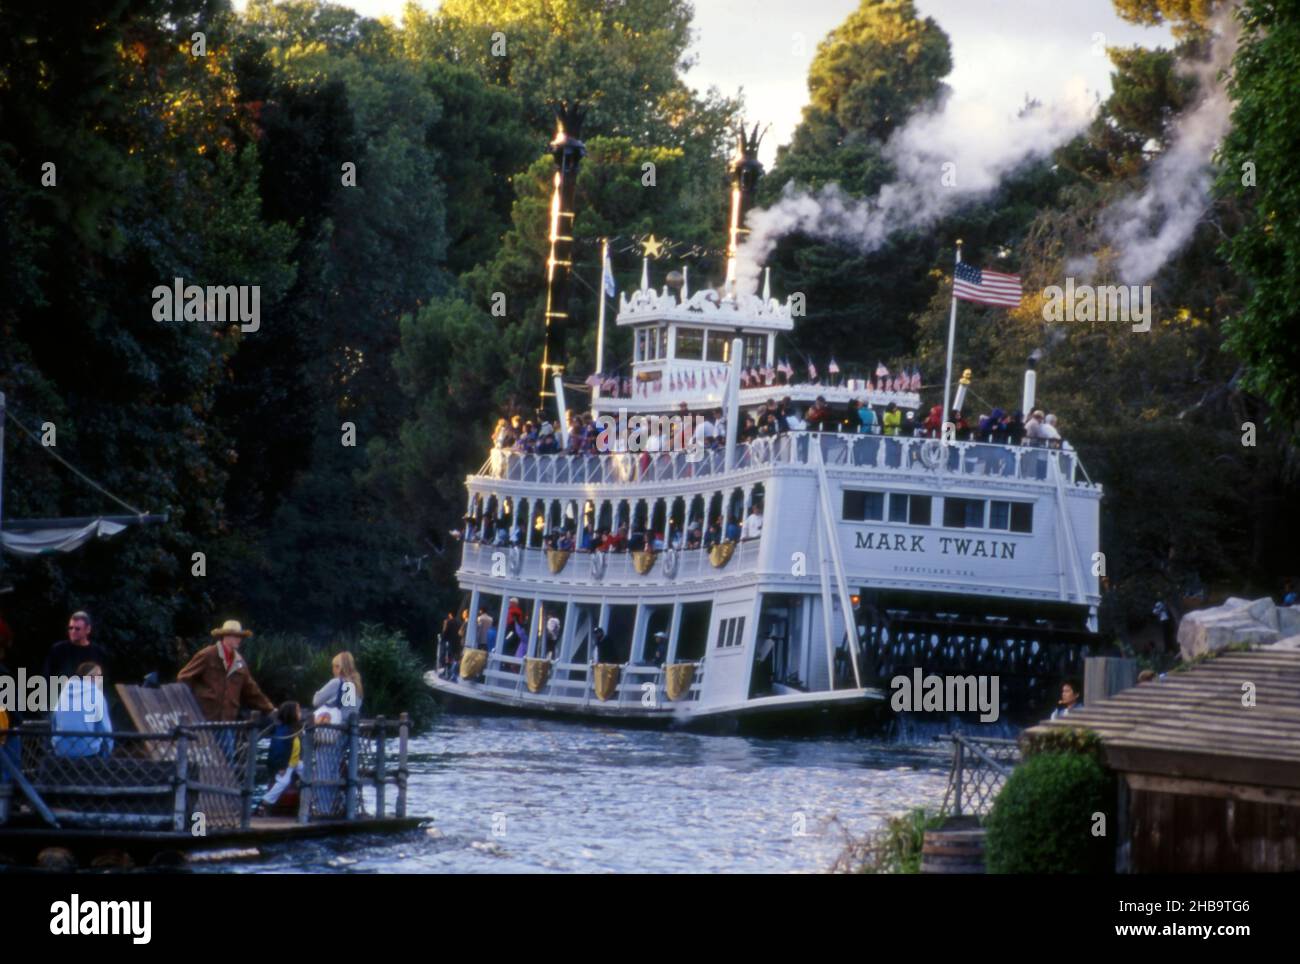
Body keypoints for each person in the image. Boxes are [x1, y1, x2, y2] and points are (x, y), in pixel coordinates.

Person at [177, 620, 275, 724]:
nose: (239, 639)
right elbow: (184, 678)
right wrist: (189, 706)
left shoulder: (239, 662)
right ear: (226, 636)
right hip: (204, 720)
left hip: (228, 721)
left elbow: (252, 691)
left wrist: (270, 709)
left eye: (240, 636)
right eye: (236, 636)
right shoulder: (208, 655)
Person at [52, 661, 114, 759]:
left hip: (61, 748)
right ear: (92, 677)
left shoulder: (64, 692)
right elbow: (105, 729)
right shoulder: (96, 694)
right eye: (99, 675)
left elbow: (54, 721)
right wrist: (108, 752)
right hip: (87, 750)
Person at [257, 701, 303, 814]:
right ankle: (265, 802)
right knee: (283, 781)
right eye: (298, 711)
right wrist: (281, 766)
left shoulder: (295, 728)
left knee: (307, 773)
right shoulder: (283, 731)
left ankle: (307, 795)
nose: (300, 713)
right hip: (286, 762)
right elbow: (279, 750)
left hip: (295, 761)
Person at [43, 610, 110, 684]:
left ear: (88, 629)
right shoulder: (58, 650)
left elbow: (103, 682)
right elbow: (47, 678)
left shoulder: (98, 653)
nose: (73, 631)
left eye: (77, 629)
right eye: (71, 628)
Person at [314, 651, 364, 720]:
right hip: (350, 727)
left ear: (339, 667)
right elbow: (348, 708)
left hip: (335, 727)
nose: (332, 670)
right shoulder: (357, 686)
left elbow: (316, 701)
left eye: (333, 666)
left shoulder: (337, 682)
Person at [439, 611, 462, 679]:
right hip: (456, 643)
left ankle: (446, 672)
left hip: (448, 642)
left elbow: (445, 632)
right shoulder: (459, 623)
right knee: (451, 658)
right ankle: (450, 672)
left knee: (445, 656)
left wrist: (442, 639)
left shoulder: (448, 622)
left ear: (450, 615)